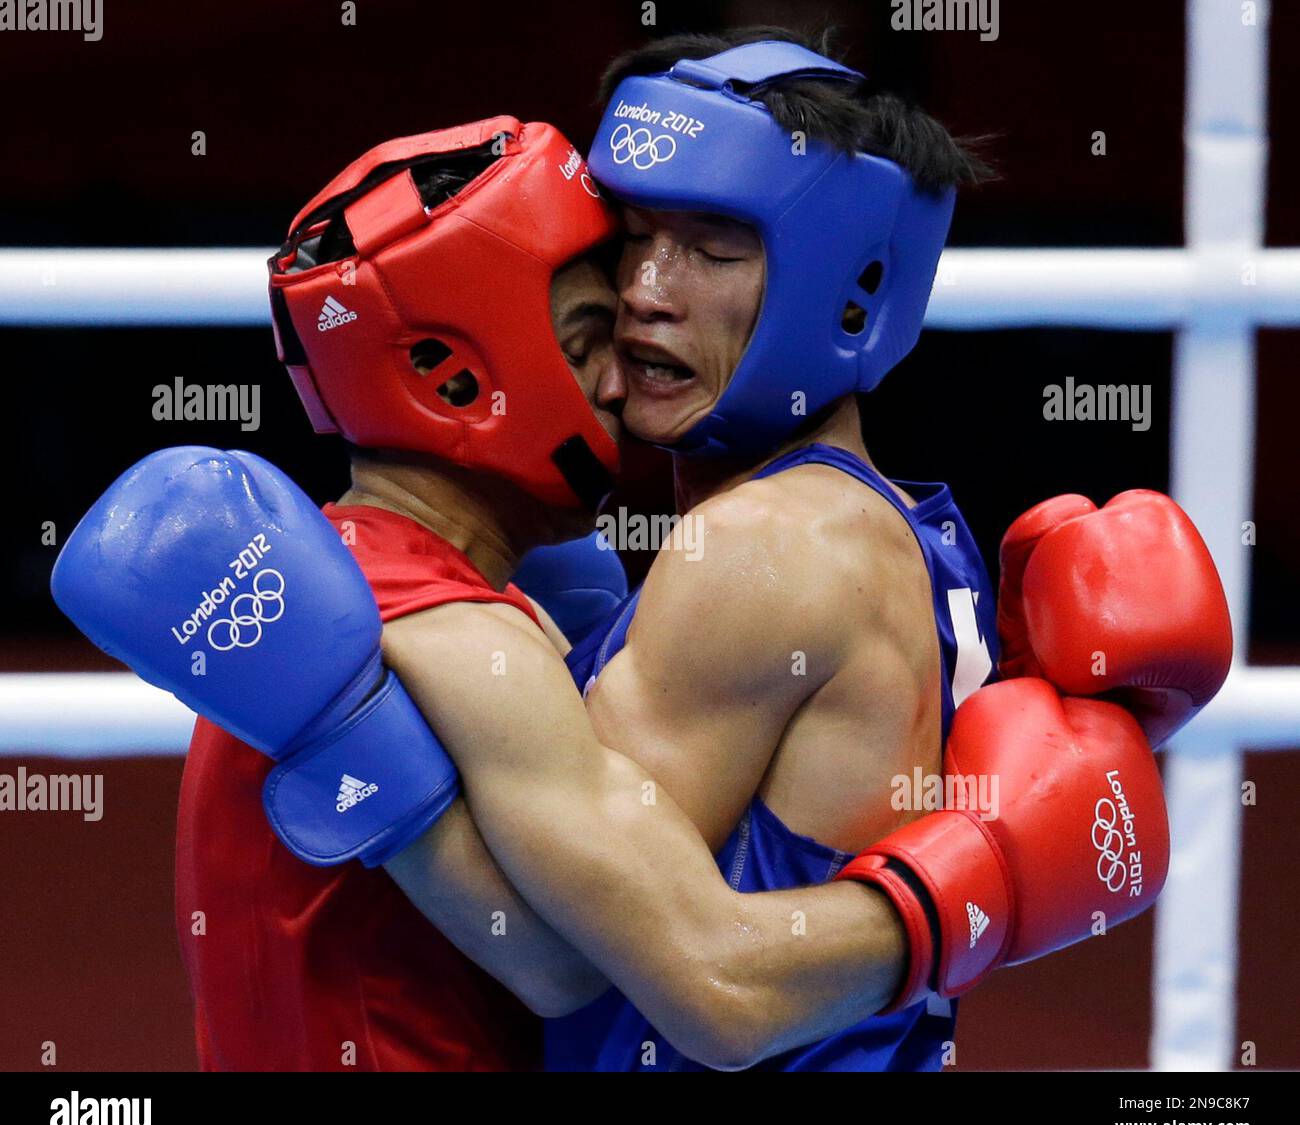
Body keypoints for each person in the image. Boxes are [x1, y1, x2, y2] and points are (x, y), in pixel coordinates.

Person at [52, 89, 1213, 1072]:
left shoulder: (527, 595)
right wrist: (973, 894)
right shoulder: (454, 625)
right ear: (459, 379)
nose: (637, 329)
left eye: (708, 250)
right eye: (597, 315)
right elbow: (647, 975)